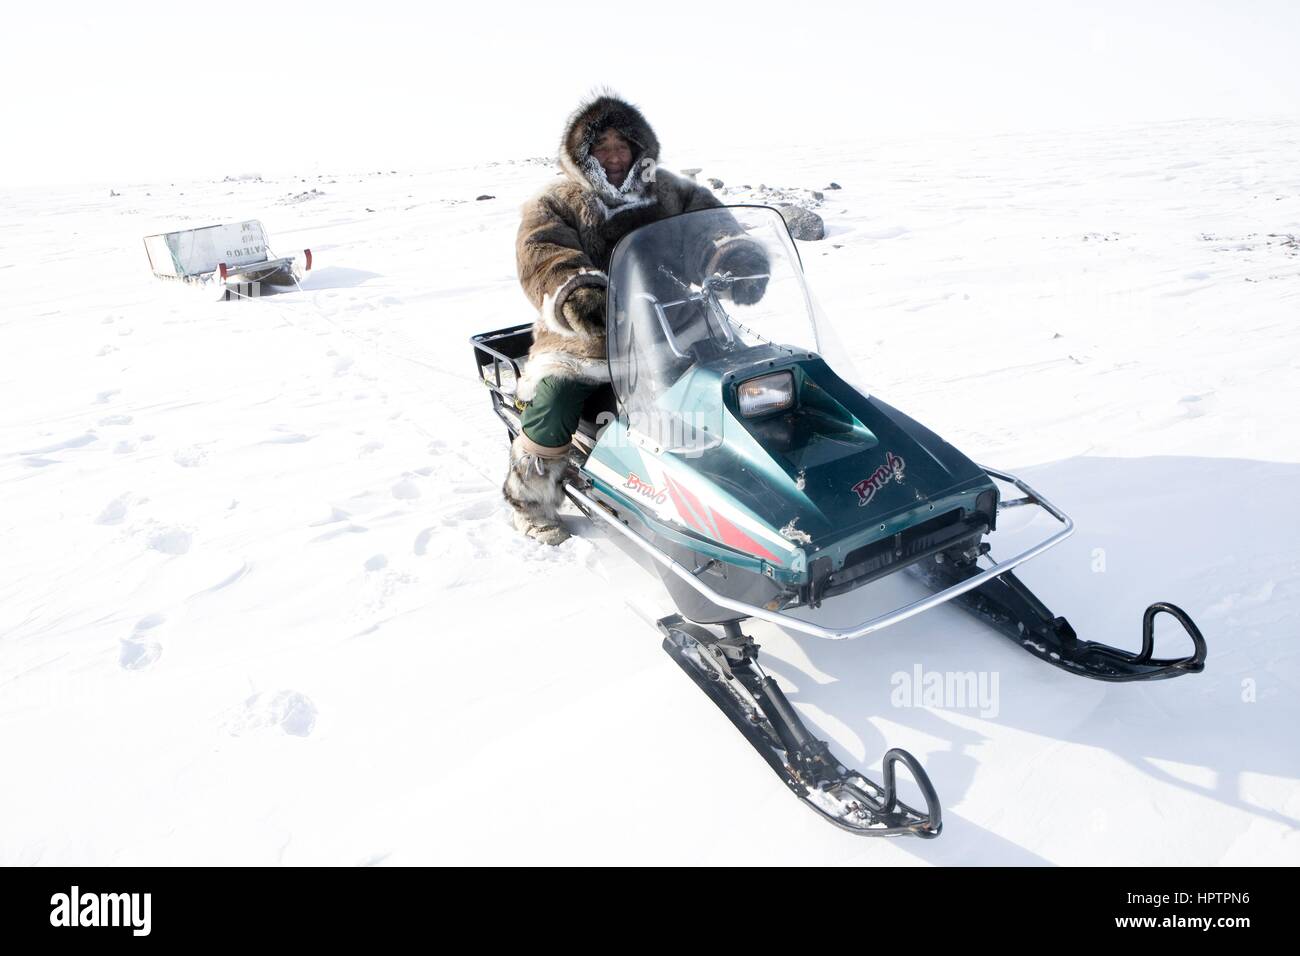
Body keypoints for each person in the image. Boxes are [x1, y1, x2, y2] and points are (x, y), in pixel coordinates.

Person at [504, 92, 767, 545]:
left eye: (620, 145)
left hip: (674, 321)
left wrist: (731, 256)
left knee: (744, 385)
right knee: (557, 396)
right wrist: (579, 295)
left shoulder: (671, 191)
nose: (612, 157)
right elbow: (543, 256)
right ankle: (530, 503)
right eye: (599, 147)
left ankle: (759, 481)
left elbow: (707, 226)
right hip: (584, 336)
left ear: (638, 147)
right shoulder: (553, 201)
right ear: (581, 155)